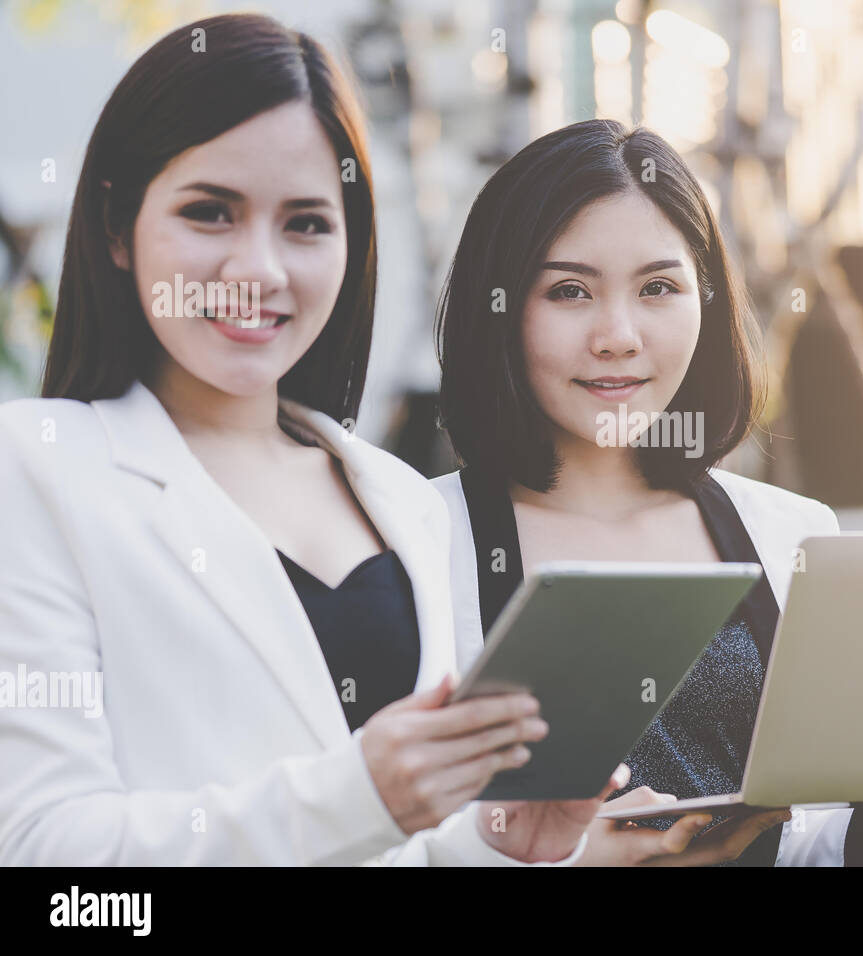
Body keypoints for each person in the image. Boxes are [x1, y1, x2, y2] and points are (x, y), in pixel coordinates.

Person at [0, 13, 624, 867]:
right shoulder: (34, 467)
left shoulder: (400, 498)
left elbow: (415, 847)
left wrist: (516, 839)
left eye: (305, 223)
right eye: (210, 212)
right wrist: (357, 797)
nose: (259, 270)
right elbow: (43, 853)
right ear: (116, 227)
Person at [432, 119, 863, 866]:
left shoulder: (790, 533)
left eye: (658, 287)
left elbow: (799, 837)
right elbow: (381, 841)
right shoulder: (416, 540)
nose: (618, 335)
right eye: (569, 291)